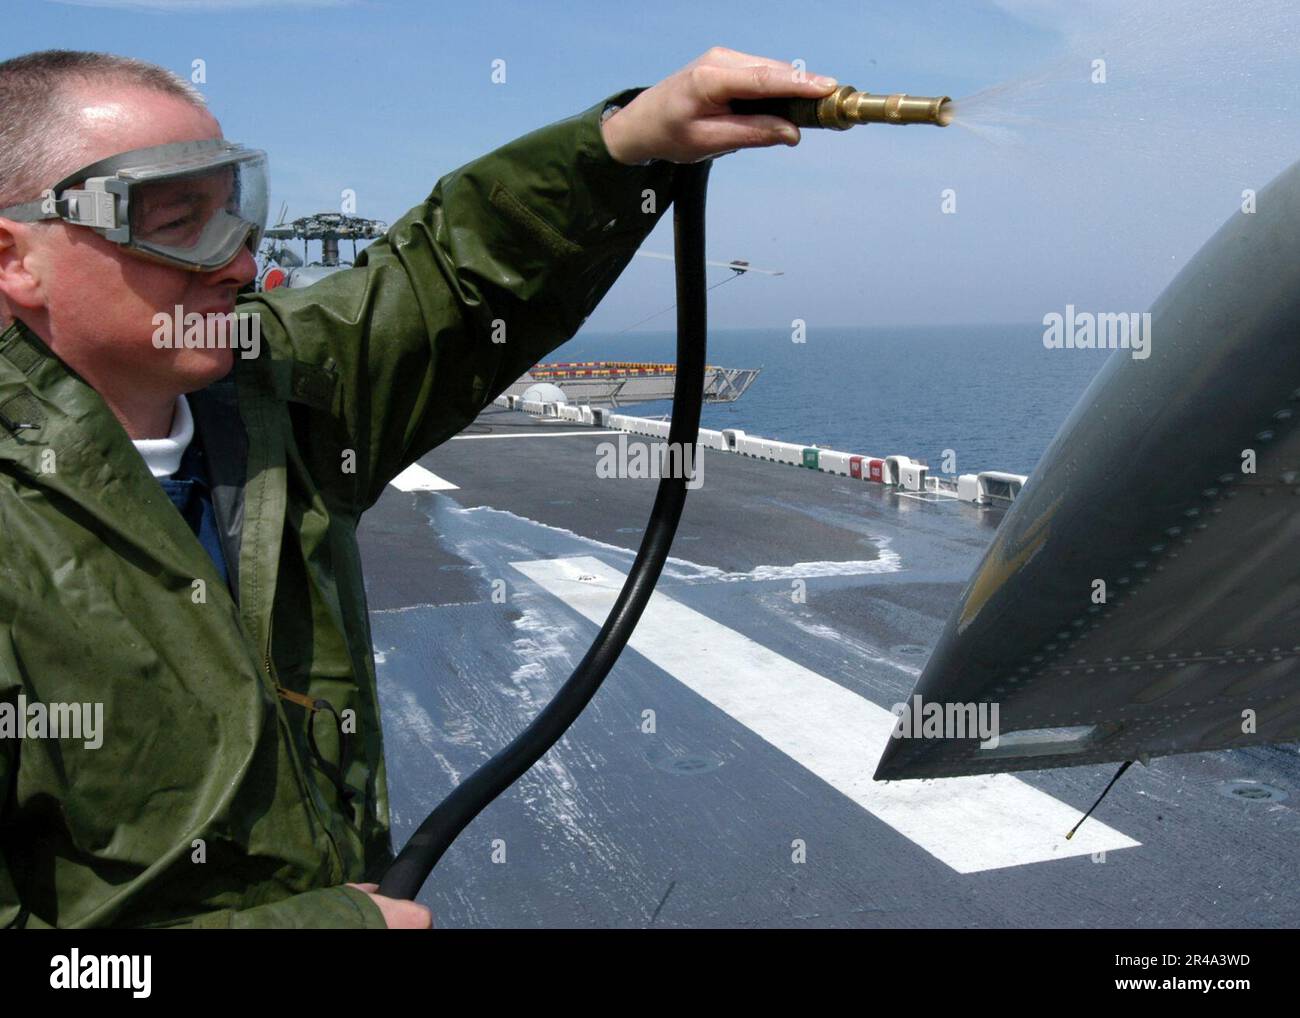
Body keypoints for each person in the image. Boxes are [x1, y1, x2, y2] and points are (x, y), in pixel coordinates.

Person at [0, 46, 838, 928]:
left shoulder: (264, 397)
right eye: (176, 221)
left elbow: (445, 287)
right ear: (17, 258)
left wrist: (627, 141)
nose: (238, 265)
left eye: (235, 216)